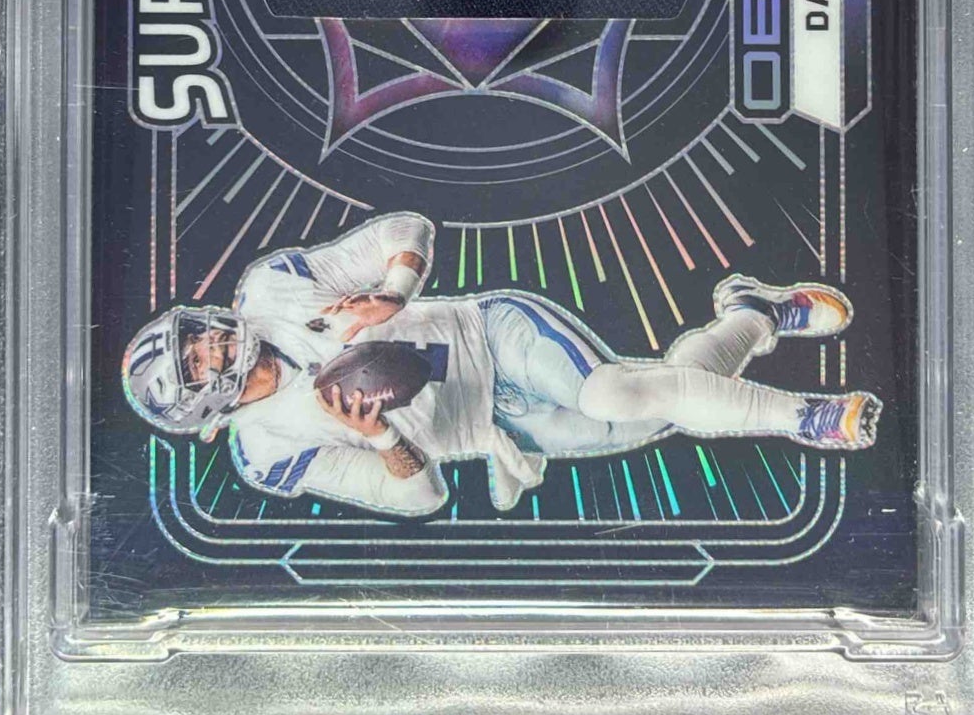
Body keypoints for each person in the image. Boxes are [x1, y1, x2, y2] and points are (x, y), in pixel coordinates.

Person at [122, 211, 880, 517]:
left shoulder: (268, 288)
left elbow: (404, 228)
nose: (210, 344)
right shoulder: (265, 452)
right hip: (496, 427)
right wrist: (383, 437)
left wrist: (392, 293)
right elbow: (421, 499)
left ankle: (806, 417)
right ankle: (754, 314)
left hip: (489, 332)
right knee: (665, 408)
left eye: (195, 336)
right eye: (195, 362)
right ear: (202, 405)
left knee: (614, 391)